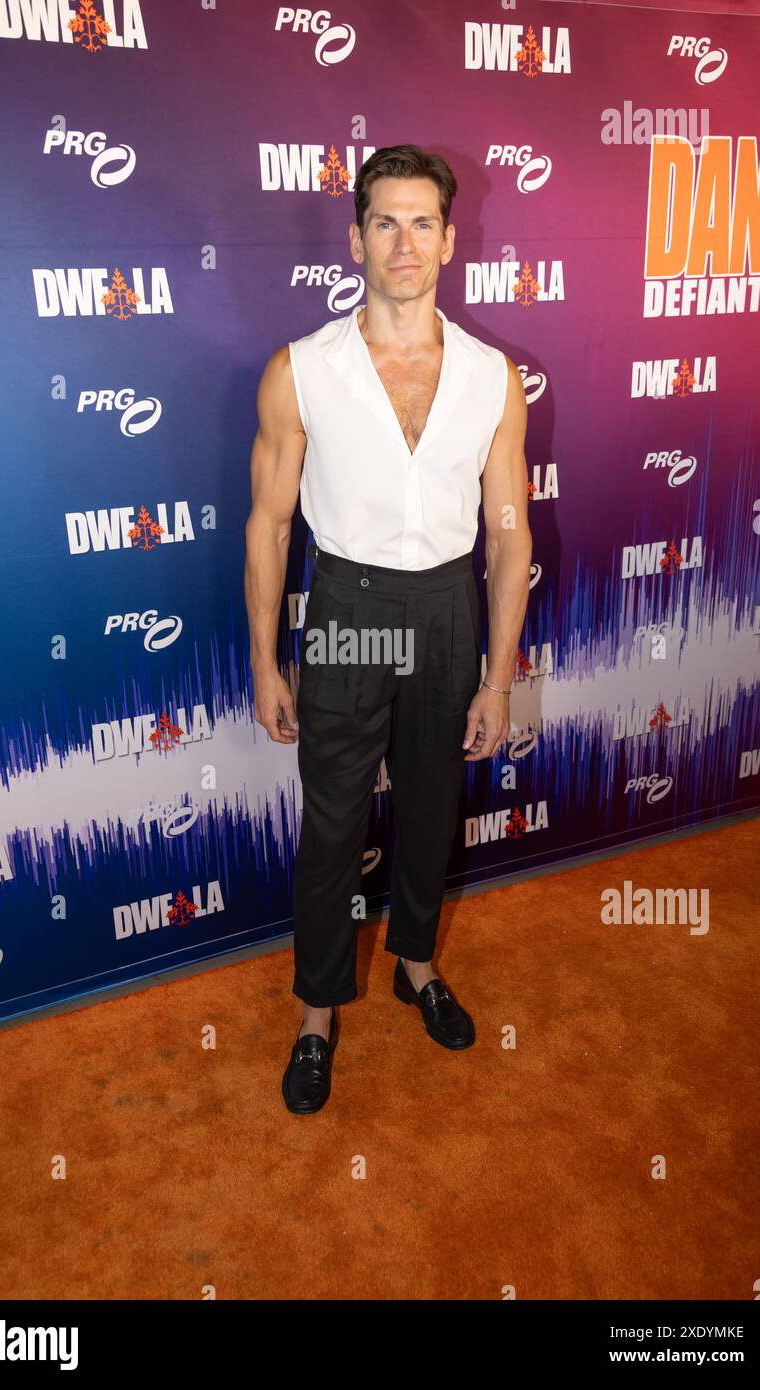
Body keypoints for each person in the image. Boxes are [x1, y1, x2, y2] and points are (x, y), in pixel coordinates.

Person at [244, 144, 531, 1114]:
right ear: (357, 236)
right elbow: (270, 524)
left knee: (431, 803)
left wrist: (498, 676)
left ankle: (413, 960)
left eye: (421, 221)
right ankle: (318, 1013)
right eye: (384, 221)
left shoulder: (493, 374)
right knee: (331, 819)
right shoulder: (303, 370)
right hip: (351, 608)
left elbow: (508, 528)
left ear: (451, 238)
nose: (403, 241)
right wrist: (263, 658)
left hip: (448, 606)